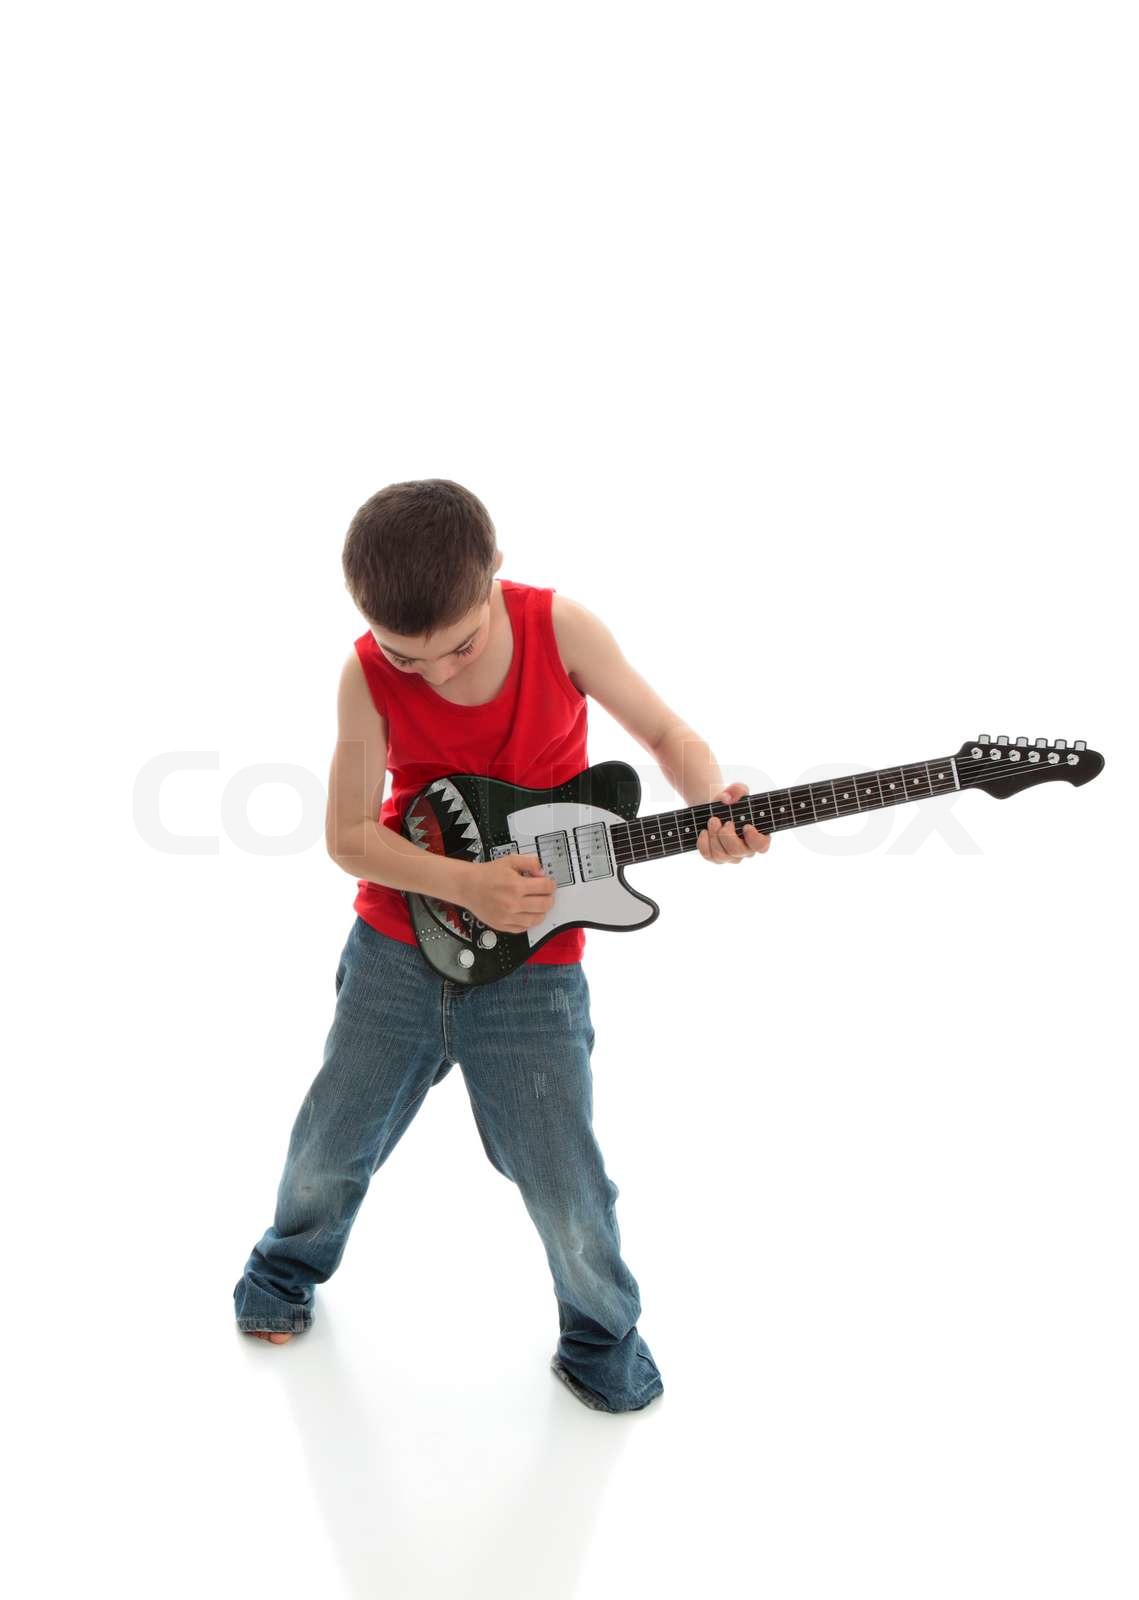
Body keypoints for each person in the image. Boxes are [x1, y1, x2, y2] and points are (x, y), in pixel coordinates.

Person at [232, 478, 770, 1413]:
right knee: (331, 1141)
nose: (434, 674)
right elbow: (349, 836)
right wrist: (465, 883)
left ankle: (601, 1337)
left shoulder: (562, 629)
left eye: (461, 646)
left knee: (565, 1173)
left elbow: (664, 731)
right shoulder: (365, 674)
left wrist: (709, 801)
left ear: (494, 577)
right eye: (411, 657)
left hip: (536, 970)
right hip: (398, 948)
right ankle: (282, 1272)